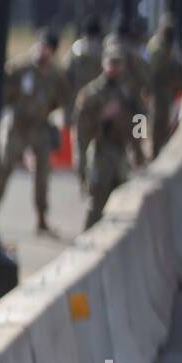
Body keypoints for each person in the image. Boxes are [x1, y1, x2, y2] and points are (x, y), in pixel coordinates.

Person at [0, 30, 69, 235]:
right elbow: (2, 91)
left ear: (52, 52)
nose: (42, 51)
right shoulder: (20, 68)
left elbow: (62, 99)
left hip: (39, 127)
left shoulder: (55, 74)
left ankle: (42, 218)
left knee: (43, 174)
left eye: (47, 48)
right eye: (40, 45)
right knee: (4, 168)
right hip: (17, 126)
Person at [73, 37, 146, 230]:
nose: (114, 67)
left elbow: (140, 118)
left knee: (121, 203)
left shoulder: (129, 92)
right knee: (97, 202)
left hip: (122, 153)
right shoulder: (92, 93)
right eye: (111, 63)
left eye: (118, 63)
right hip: (101, 152)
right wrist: (102, 116)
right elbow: (81, 130)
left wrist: (139, 150)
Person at [145, 20, 182, 159]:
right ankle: (154, 155)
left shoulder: (171, 49)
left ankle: (159, 152)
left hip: (168, 93)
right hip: (158, 93)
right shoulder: (156, 48)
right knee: (156, 125)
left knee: (166, 125)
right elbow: (152, 72)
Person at [62, 17, 103, 123]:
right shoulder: (103, 51)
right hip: (98, 101)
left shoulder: (74, 50)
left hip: (75, 100)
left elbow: (65, 74)